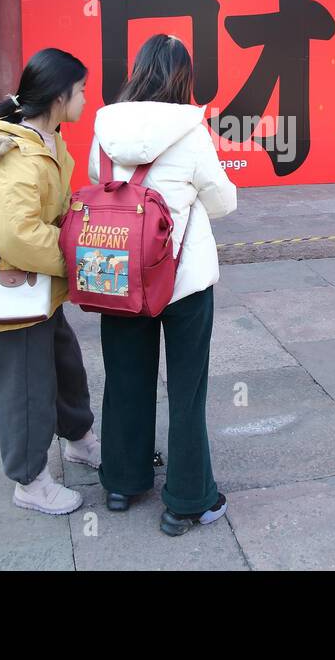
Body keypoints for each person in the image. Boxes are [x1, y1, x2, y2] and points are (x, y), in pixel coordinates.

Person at [88, 34, 238, 536]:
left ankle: (122, 482)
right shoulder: (191, 130)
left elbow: (99, 179)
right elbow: (220, 200)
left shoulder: (105, 125)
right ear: (183, 76)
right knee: (187, 390)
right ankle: (187, 501)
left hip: (120, 274)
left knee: (125, 379)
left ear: (137, 69)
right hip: (182, 279)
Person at [0, 48, 100, 516]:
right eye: (80, 91)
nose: (85, 98)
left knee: (64, 368)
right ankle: (30, 481)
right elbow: (15, 233)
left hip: (39, 286)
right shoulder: (20, 155)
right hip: (14, 289)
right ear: (59, 97)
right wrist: (77, 255)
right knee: (26, 388)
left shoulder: (47, 140)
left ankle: (79, 441)